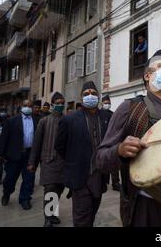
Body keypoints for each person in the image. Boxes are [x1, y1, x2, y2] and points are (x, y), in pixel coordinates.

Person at [97, 49, 161, 227]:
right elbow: (101, 159)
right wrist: (119, 150)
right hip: (146, 206)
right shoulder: (130, 108)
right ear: (148, 76)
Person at [55, 81, 111, 227]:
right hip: (80, 177)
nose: (90, 96)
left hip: (99, 176)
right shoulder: (69, 120)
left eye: (93, 93)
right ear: (81, 98)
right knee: (82, 219)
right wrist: (74, 161)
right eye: (86, 94)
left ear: (98, 96)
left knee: (92, 213)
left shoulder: (106, 117)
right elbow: (60, 147)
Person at [28, 92, 66, 227]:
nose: (61, 105)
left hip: (63, 163)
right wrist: (32, 162)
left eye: (63, 103)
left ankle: (53, 214)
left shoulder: (67, 120)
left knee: (59, 189)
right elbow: (36, 144)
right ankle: (48, 219)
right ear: (52, 104)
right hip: (48, 161)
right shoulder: (44, 121)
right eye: (58, 103)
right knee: (50, 189)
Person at [0, 100, 39, 210]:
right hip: (14, 155)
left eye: (30, 106)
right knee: (10, 179)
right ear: (21, 107)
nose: (28, 108)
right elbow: (3, 138)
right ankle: (6, 193)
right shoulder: (11, 121)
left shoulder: (37, 120)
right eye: (25, 105)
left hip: (30, 155)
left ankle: (25, 199)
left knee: (29, 179)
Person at [101, 95, 121, 192]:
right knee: (103, 162)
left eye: (108, 103)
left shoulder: (113, 114)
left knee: (114, 162)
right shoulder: (99, 114)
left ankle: (115, 183)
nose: (107, 104)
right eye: (105, 103)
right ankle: (103, 182)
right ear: (102, 103)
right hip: (102, 142)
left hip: (112, 141)